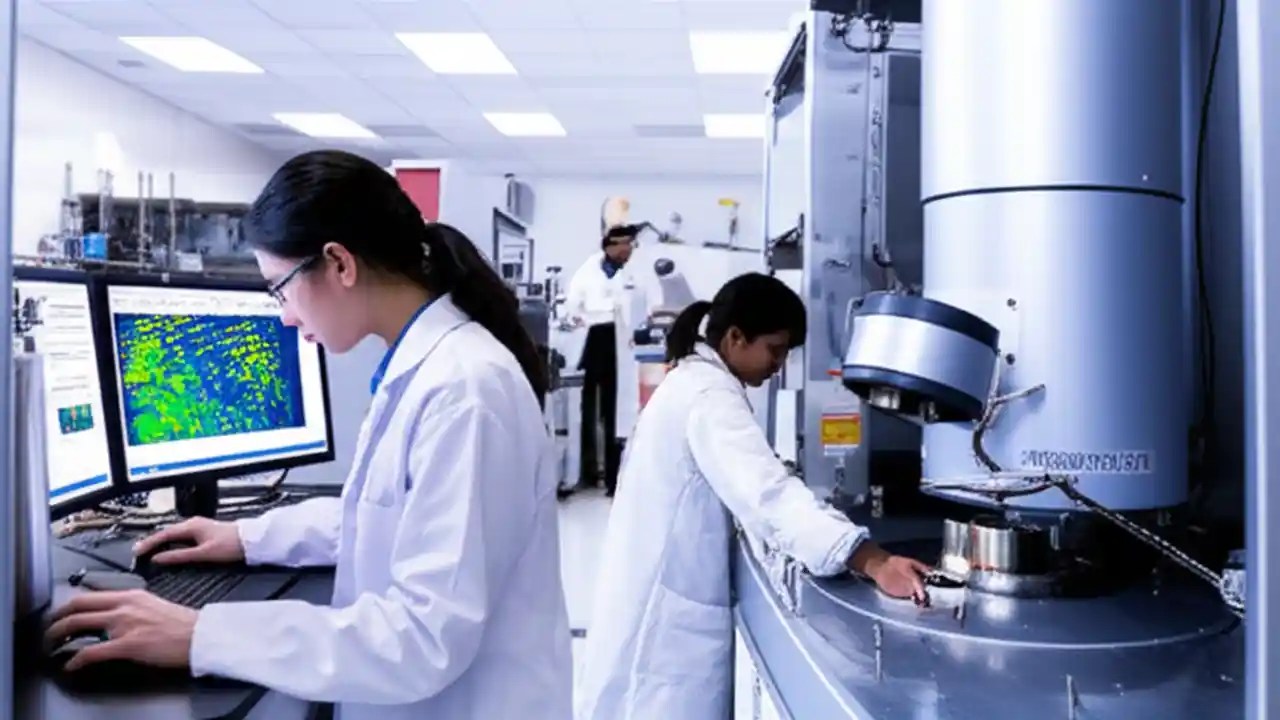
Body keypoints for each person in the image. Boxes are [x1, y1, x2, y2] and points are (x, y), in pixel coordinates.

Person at [45, 150, 573, 720]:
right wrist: (248, 537)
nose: (285, 316)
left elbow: (423, 640)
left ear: (339, 264)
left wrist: (203, 634)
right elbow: (383, 517)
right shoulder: (430, 368)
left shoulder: (465, 391)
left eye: (279, 288)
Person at [575, 273, 931, 720]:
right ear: (735, 338)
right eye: (775, 350)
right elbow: (768, 495)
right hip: (662, 639)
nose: (778, 364)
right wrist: (872, 560)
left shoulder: (694, 381)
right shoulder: (708, 396)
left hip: (655, 606)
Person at [563, 224, 637, 496]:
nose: (627, 250)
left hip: (623, 347)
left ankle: (615, 478)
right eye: (623, 245)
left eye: (630, 245)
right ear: (610, 246)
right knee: (594, 411)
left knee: (617, 412)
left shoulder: (631, 274)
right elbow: (574, 309)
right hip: (596, 341)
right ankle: (591, 473)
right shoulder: (588, 272)